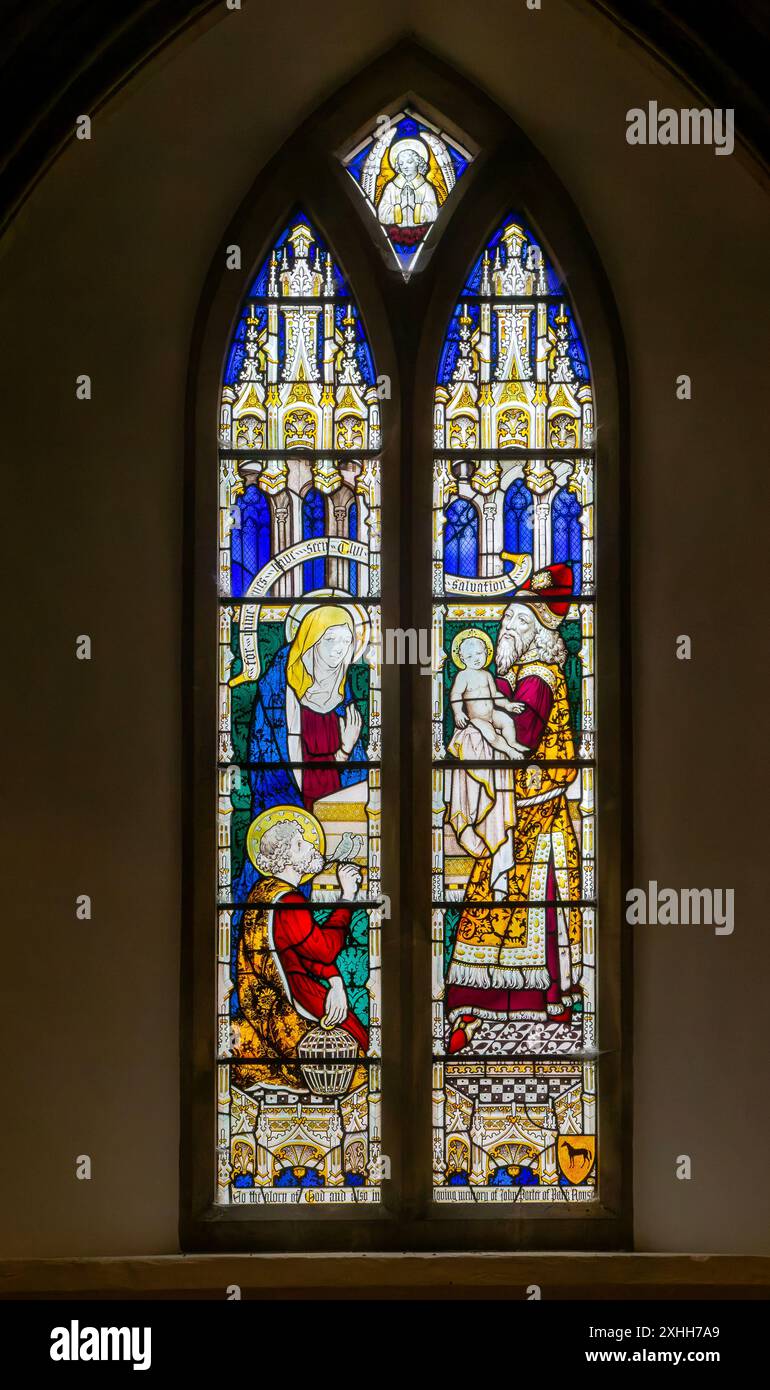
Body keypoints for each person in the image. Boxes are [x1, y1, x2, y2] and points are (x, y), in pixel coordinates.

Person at [446, 565, 583, 1051]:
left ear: (534, 631)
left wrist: (480, 722)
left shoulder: (536, 683)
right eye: (506, 627)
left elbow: (523, 740)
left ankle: (500, 1005)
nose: (505, 634)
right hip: (526, 810)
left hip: (531, 816)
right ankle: (535, 1001)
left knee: (515, 905)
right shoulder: (527, 680)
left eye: (514, 627)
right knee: (520, 906)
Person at [233, 810, 367, 1092]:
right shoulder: (287, 901)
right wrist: (347, 897)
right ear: (285, 857)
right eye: (300, 844)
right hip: (288, 998)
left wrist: (335, 981)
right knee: (356, 1051)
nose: (311, 846)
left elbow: (300, 951)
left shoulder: (264, 892)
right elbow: (324, 949)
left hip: (283, 990)